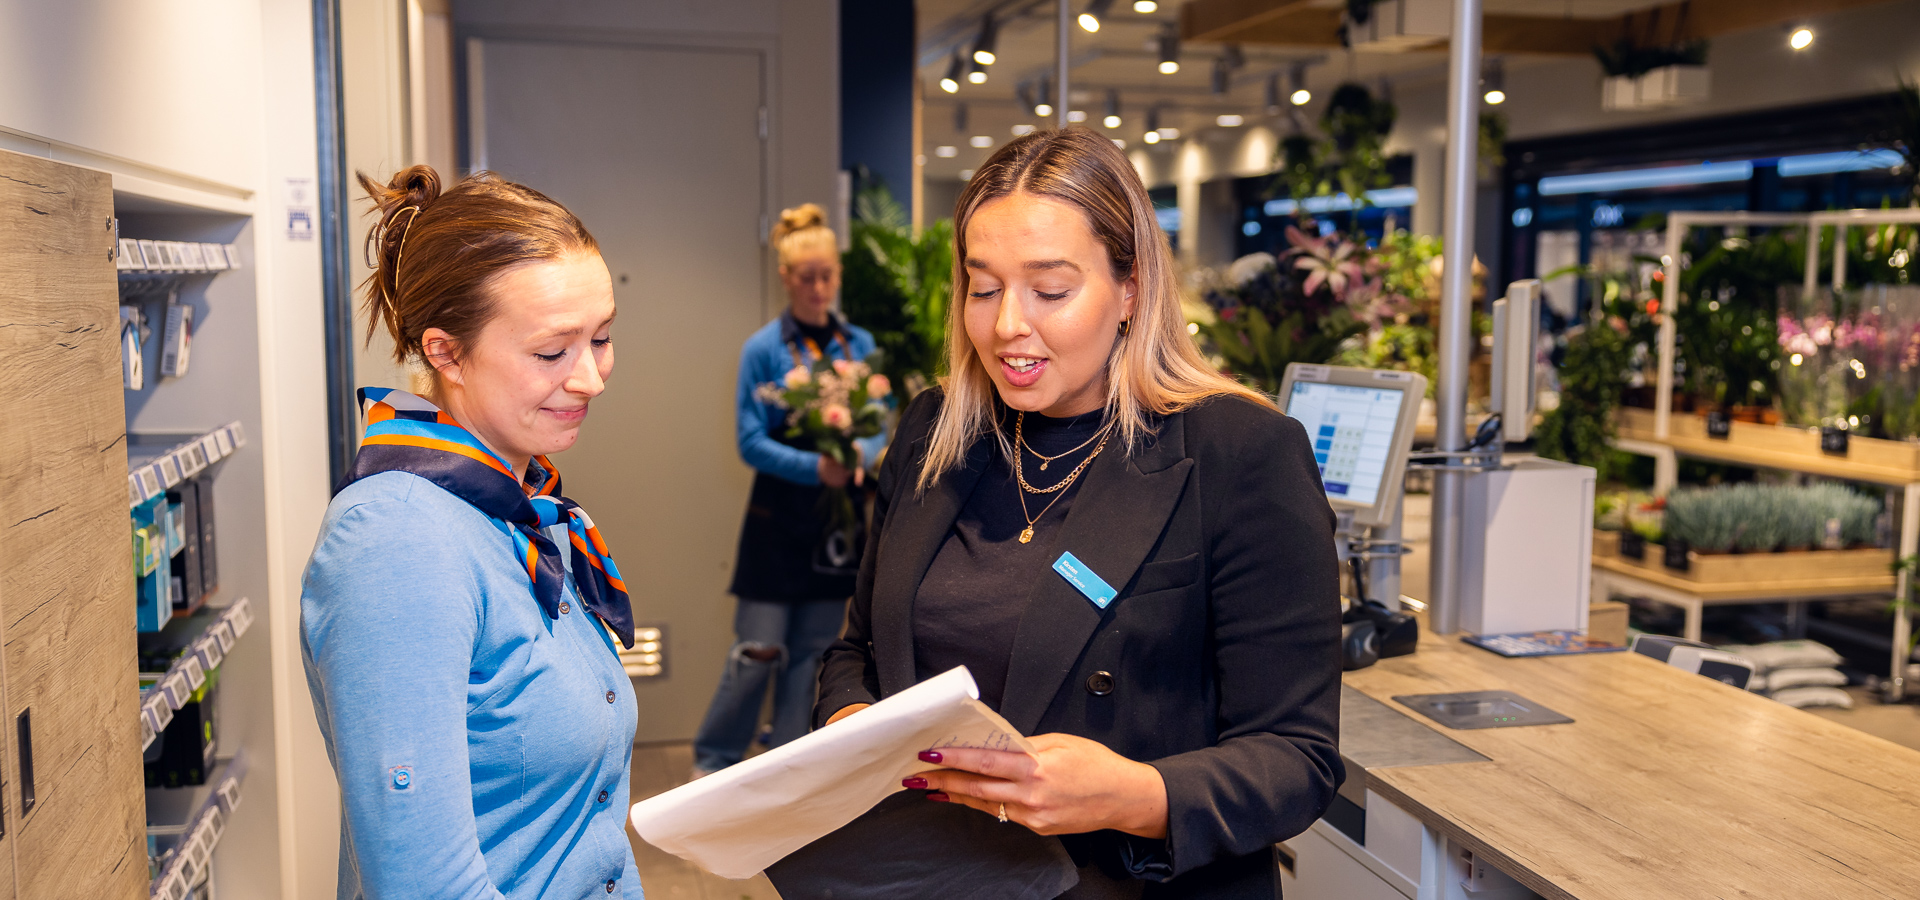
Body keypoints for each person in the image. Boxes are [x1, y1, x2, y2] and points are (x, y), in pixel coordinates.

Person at [812, 130, 1343, 899]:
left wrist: (1133, 794)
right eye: (983, 287)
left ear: (1131, 288)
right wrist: (851, 729)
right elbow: (855, 648)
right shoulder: (936, 431)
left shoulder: (1240, 452)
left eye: (1050, 291)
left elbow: (1298, 757)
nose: (1006, 327)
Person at [301, 165, 641, 899]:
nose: (591, 378)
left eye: (602, 338)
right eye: (553, 352)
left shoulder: (516, 503)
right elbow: (425, 885)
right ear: (444, 352)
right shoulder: (396, 543)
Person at [691, 204, 889, 776]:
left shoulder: (858, 345)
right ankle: (715, 759)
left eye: (829, 275)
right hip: (777, 520)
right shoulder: (764, 350)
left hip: (838, 523)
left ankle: (786, 757)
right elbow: (750, 442)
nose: (820, 287)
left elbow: (879, 422)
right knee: (759, 650)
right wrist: (815, 468)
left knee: (816, 650)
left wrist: (862, 454)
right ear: (786, 278)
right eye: (808, 277)